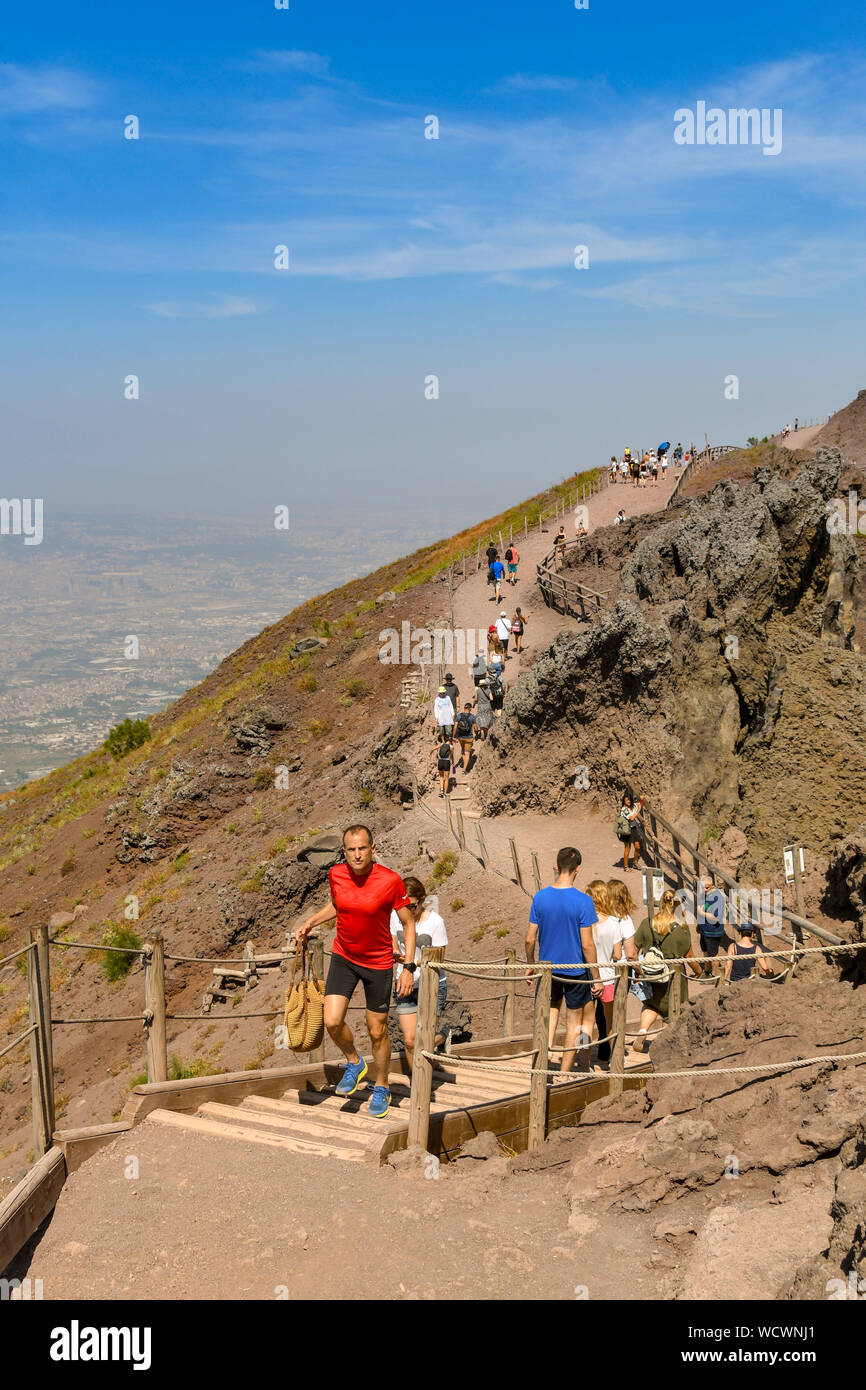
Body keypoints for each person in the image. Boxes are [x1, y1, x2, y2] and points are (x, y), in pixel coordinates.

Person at [295, 825, 415, 1118]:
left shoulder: (390, 881)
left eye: (362, 848)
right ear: (344, 852)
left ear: (372, 849)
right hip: (344, 956)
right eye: (351, 850)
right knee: (332, 1020)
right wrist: (311, 922)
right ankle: (355, 1062)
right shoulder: (336, 874)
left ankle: (382, 1086)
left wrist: (408, 968)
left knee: (377, 1030)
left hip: (379, 963)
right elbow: (337, 905)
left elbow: (409, 924)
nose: (357, 855)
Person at [526, 847, 601, 1074]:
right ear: (578, 869)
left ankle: (544, 1060)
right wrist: (596, 977)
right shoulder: (584, 902)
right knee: (574, 1022)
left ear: (556, 866)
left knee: (549, 1013)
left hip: (548, 969)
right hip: (576, 971)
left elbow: (530, 939)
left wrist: (531, 965)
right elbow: (587, 945)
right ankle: (563, 1075)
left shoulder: (540, 897)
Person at [630, 889, 701, 1053]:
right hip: (673, 977)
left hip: (651, 973)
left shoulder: (647, 923)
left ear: (661, 903)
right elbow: (689, 956)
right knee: (671, 1012)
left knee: (651, 1004)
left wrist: (639, 971)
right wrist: (698, 972)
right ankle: (664, 1046)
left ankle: (642, 1031)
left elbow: (633, 951)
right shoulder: (682, 929)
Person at [390, 876, 448, 1067]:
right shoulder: (395, 916)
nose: (408, 911)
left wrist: (411, 961)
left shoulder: (436, 922)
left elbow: (439, 958)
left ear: (423, 900)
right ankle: (418, 1086)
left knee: (424, 1040)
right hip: (403, 983)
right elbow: (392, 939)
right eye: (404, 906)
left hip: (431, 984)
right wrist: (395, 952)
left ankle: (443, 1035)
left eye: (412, 906)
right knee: (410, 1041)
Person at [585, 879, 637, 1069]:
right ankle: (616, 1056)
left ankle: (585, 1060)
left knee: (587, 1020)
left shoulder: (585, 922)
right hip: (607, 977)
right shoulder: (614, 922)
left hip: (588, 976)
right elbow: (617, 954)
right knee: (610, 1019)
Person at [607, 878, 647, 1007]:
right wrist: (639, 971)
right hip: (621, 969)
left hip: (602, 967)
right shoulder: (624, 919)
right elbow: (631, 954)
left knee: (603, 1008)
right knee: (618, 1006)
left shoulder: (601, 916)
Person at [695, 876, 727, 976]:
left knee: (713, 955)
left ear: (712, 886)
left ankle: (715, 975)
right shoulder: (704, 895)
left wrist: (701, 913)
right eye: (702, 887)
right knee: (705, 951)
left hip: (713, 931)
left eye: (706, 887)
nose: (704, 890)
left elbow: (716, 917)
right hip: (704, 929)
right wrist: (699, 925)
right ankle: (707, 971)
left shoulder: (718, 897)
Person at [616, 793, 644, 870]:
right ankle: (626, 866)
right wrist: (638, 811)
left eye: (629, 799)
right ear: (624, 801)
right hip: (626, 829)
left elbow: (640, 804)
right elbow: (631, 818)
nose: (628, 801)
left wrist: (641, 799)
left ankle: (635, 863)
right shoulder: (624, 809)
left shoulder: (633, 805)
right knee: (627, 848)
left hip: (633, 828)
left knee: (637, 846)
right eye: (626, 800)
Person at [454, 702, 476, 771]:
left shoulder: (459, 716)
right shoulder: (472, 717)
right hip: (468, 738)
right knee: (467, 753)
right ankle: (464, 769)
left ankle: (464, 764)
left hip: (460, 737)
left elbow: (455, 728)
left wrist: (453, 736)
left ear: (464, 708)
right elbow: (475, 728)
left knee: (463, 751)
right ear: (470, 709)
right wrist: (477, 733)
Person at [431, 732, 453, 796]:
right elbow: (451, 756)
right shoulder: (451, 747)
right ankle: (445, 793)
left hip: (440, 761)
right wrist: (453, 762)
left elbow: (433, 749)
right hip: (447, 762)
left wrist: (430, 754)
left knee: (441, 777)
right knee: (446, 778)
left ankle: (441, 790)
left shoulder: (441, 744)